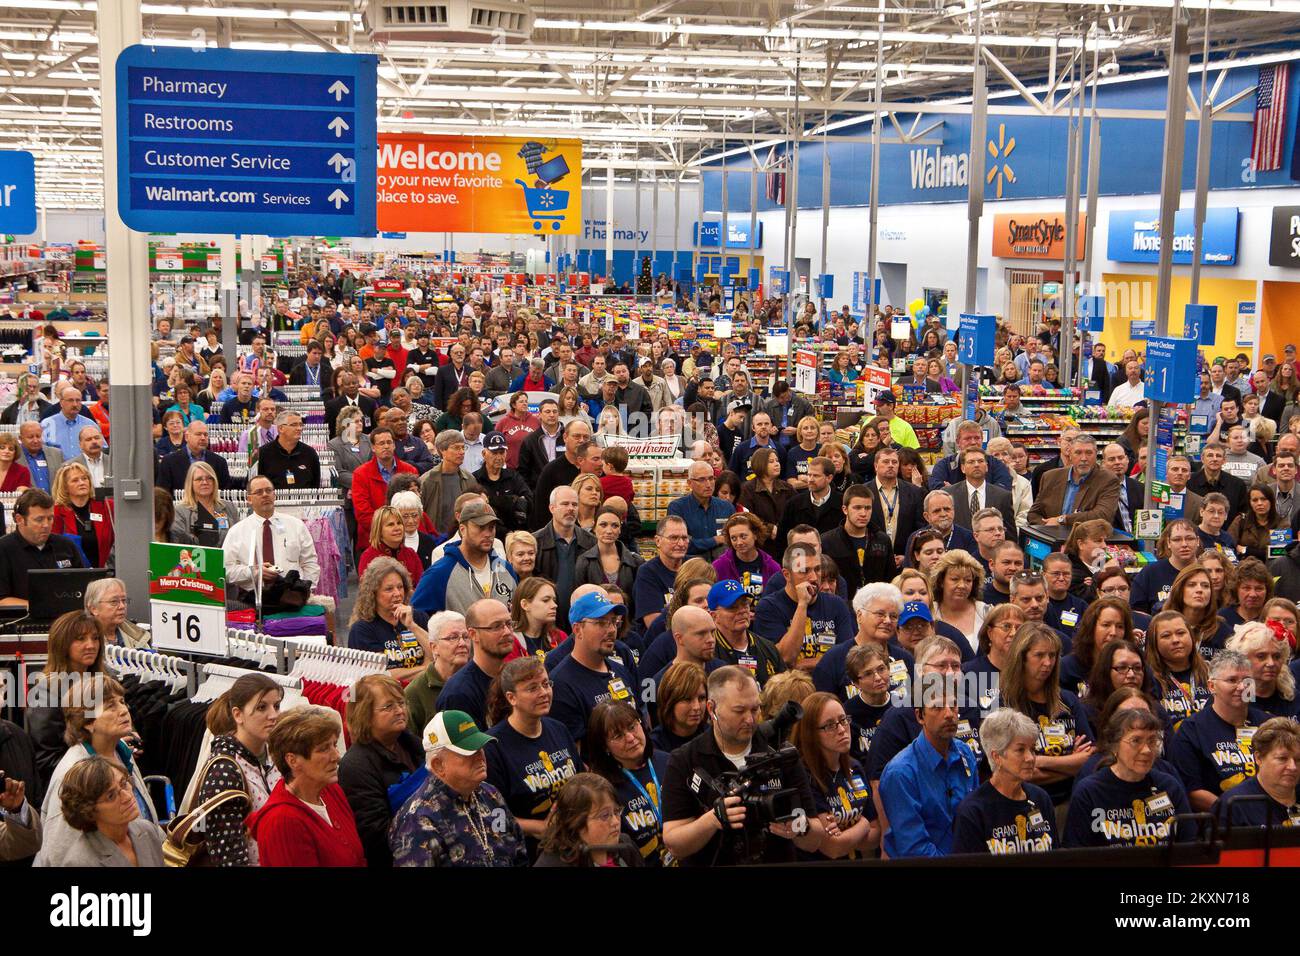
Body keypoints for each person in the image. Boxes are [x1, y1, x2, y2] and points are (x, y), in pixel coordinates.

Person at [662, 666, 823, 865]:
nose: (749, 719)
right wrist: (713, 820)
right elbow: (674, 844)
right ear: (712, 709)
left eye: (755, 709)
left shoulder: (780, 753)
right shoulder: (685, 759)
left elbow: (815, 840)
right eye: (739, 710)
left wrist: (800, 827)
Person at [390, 709, 528, 867]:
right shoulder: (419, 820)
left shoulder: (490, 794)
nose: (480, 756)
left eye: (480, 747)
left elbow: (517, 850)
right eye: (468, 751)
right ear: (438, 765)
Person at [482, 656, 583, 851]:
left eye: (546, 684)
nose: (544, 693)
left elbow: (580, 781)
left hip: (573, 843)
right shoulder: (493, 747)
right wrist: (540, 827)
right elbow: (492, 818)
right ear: (511, 697)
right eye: (532, 688)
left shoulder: (559, 729)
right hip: (528, 852)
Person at [878, 672, 980, 858]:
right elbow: (914, 849)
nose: (949, 714)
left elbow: (977, 819)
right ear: (920, 716)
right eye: (938, 707)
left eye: (953, 705)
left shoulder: (966, 753)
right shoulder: (900, 773)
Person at [245, 707, 364, 867]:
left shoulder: (330, 790)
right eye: (324, 749)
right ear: (292, 760)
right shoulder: (282, 823)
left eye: (334, 745)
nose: (336, 756)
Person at [187, 673, 284, 867]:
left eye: (276, 706)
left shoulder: (276, 756)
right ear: (238, 714)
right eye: (261, 707)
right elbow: (228, 858)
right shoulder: (225, 771)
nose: (273, 715)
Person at [1063, 708, 1192, 847]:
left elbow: (1190, 846)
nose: (1147, 750)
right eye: (1136, 741)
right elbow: (1075, 854)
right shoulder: (1090, 792)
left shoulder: (1169, 786)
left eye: (1152, 741)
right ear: (1114, 746)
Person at [998, 624, 1094, 808]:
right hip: (1021, 803)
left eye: (1052, 655)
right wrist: (1070, 765)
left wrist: (1040, 761)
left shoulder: (1067, 700)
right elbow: (1009, 769)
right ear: (1022, 657)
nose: (1048, 663)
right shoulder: (1001, 703)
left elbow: (1089, 760)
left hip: (1070, 801)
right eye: (1040, 655)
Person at [1167, 650, 1270, 812]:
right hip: (1222, 821)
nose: (1242, 687)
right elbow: (1191, 791)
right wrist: (1235, 811)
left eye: (1247, 680)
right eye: (1232, 680)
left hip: (1268, 814)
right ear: (1211, 686)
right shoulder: (1191, 730)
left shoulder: (1269, 724)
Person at [223, 476, 331, 622]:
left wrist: (305, 590)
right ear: (249, 499)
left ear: (275, 495)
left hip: (292, 602)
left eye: (268, 490)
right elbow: (226, 570)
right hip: (251, 602)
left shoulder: (296, 526)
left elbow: (310, 562)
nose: (265, 495)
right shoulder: (236, 532)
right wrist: (254, 572)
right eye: (259, 492)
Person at [951, 708, 1058, 854]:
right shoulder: (973, 812)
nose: (1030, 758)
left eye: (1032, 749)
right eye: (1020, 750)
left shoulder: (1041, 799)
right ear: (996, 757)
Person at [790, 692, 879, 859]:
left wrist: (849, 834)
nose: (841, 730)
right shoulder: (804, 776)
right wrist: (863, 824)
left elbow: (876, 836)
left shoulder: (855, 767)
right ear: (811, 733)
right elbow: (832, 848)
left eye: (843, 720)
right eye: (829, 725)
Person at [584, 700, 670, 865]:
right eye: (618, 736)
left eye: (632, 727)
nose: (630, 738)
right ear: (604, 746)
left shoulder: (669, 762)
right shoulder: (601, 788)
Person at [549, 591, 642, 745]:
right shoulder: (561, 684)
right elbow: (575, 752)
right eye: (601, 622)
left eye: (613, 622)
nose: (612, 630)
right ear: (578, 629)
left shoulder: (620, 670)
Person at [36, 758, 164, 868]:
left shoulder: (148, 830)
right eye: (111, 796)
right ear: (89, 811)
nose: (127, 796)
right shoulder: (79, 862)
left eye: (124, 784)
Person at [754, 543, 857, 671]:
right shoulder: (768, 607)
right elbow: (785, 658)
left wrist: (803, 664)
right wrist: (802, 605)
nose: (814, 578)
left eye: (817, 569)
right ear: (787, 575)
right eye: (804, 571)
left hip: (829, 685)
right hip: (790, 687)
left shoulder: (836, 604)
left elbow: (847, 656)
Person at [533, 772, 641, 867]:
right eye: (604, 816)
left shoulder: (626, 845)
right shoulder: (552, 863)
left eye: (617, 812)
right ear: (575, 822)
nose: (616, 822)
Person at [0, 489, 85, 607]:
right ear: (19, 519)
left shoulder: (66, 545)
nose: (46, 525)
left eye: (50, 518)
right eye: (39, 519)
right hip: (21, 621)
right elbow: (2, 600)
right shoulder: (4, 549)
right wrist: (42, 606)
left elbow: (83, 587)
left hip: (65, 620)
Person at [1213, 717, 1300, 828]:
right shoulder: (1233, 805)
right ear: (1259, 758)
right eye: (1282, 758)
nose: (1293, 767)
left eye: (1298, 760)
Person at [1026, 434, 1120, 528]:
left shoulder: (1108, 480)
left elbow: (1102, 515)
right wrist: (1049, 528)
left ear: (1096, 455)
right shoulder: (1050, 477)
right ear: (1070, 454)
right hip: (1051, 538)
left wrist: (1062, 520)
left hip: (1086, 539)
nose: (1083, 458)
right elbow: (1033, 514)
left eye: (1089, 453)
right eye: (1078, 453)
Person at [821, 484, 895, 595]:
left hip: (876, 605)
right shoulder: (827, 541)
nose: (863, 513)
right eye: (857, 508)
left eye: (867, 508)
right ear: (845, 509)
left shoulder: (882, 540)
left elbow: (890, 578)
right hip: (841, 605)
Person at [1059, 597, 1133, 698]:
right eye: (1106, 625)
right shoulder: (1068, 668)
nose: (1113, 633)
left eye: (1120, 626)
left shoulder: (1135, 668)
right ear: (1091, 628)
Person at [1226, 622, 1297, 718]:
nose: (1271, 663)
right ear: (1243, 659)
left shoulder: (1293, 698)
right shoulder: (1227, 700)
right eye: (1261, 656)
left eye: (1276, 656)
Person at [667, 460, 735, 560]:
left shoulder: (727, 507)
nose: (708, 484)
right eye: (702, 480)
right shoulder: (677, 508)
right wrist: (715, 541)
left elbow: (732, 540)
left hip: (721, 566)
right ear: (689, 483)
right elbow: (679, 544)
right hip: (690, 568)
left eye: (711, 479)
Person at [633, 516, 690, 630]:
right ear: (658, 541)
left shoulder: (694, 566)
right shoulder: (647, 572)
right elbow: (653, 624)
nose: (681, 543)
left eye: (684, 538)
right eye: (674, 538)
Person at [51, 461, 113, 568]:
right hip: (73, 574)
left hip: (105, 571)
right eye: (75, 480)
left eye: (85, 478)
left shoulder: (106, 506)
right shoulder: (57, 512)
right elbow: (54, 547)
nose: (82, 483)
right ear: (65, 487)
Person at [1131, 518, 1201, 612]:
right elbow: (1137, 614)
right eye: (1177, 539)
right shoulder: (1150, 573)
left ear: (1198, 541)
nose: (1184, 544)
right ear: (1168, 543)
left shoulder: (1208, 571)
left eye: (1190, 538)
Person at [418, 429, 478, 537]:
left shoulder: (469, 479)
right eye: (456, 448)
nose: (462, 452)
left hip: (463, 537)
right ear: (442, 450)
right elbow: (420, 514)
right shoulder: (427, 480)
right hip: (435, 538)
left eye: (463, 447)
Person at [929, 550, 989, 655]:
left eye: (968, 580)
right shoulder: (930, 612)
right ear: (941, 581)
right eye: (955, 579)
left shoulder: (986, 612)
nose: (962, 585)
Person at [738, 447, 793, 559]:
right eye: (771, 462)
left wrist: (783, 529)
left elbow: (796, 512)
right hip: (760, 545)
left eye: (777, 461)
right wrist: (769, 529)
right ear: (760, 464)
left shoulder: (787, 488)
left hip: (785, 544)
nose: (777, 464)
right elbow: (746, 517)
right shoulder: (747, 489)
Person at [712, 512, 781, 600]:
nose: (739, 542)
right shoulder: (719, 567)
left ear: (755, 535)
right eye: (734, 538)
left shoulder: (772, 567)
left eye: (743, 536)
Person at [172, 461, 242, 547]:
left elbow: (239, 539)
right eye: (199, 479)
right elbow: (178, 543)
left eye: (209, 478)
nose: (205, 482)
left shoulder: (229, 507)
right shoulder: (179, 511)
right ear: (190, 483)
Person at [156, 420, 234, 493]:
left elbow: (225, 492)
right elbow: (163, 493)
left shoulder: (220, 462)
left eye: (205, 434)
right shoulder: (169, 461)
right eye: (198, 434)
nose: (203, 438)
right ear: (187, 437)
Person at [83, 577, 149, 650]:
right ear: (94, 609)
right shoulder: (82, 640)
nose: (122, 606)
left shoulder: (136, 635)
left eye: (124, 600)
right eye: (114, 601)